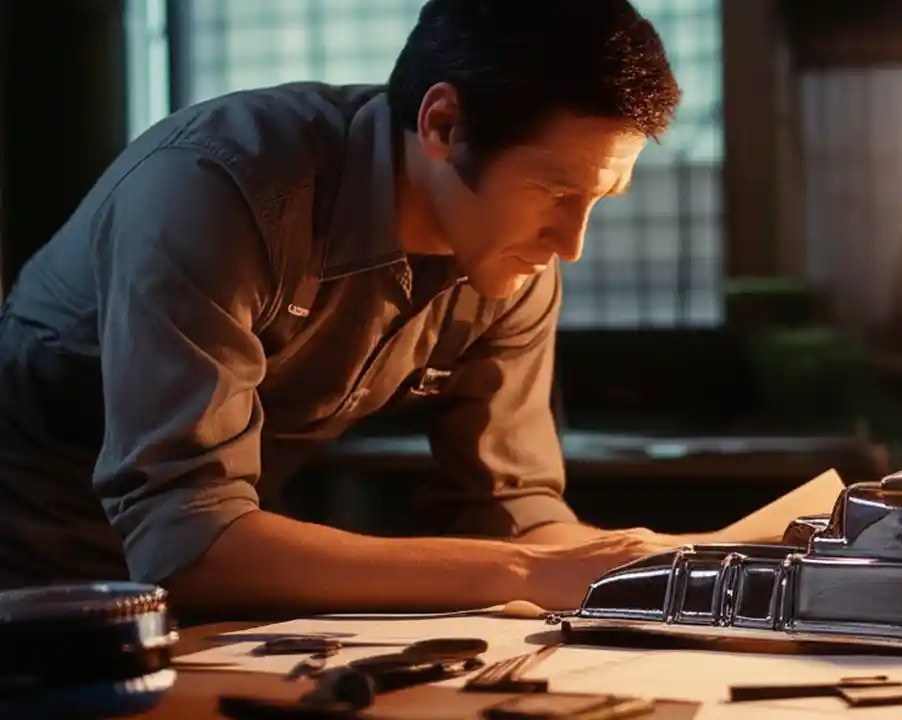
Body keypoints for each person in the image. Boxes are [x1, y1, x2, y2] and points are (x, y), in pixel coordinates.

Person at [0, 0, 693, 615]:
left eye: (602, 200)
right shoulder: (219, 194)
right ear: (443, 125)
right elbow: (188, 540)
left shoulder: (509, 261)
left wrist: (671, 561)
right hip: (37, 583)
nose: (572, 244)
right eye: (555, 193)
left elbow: (512, 512)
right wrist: (528, 571)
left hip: (214, 595)